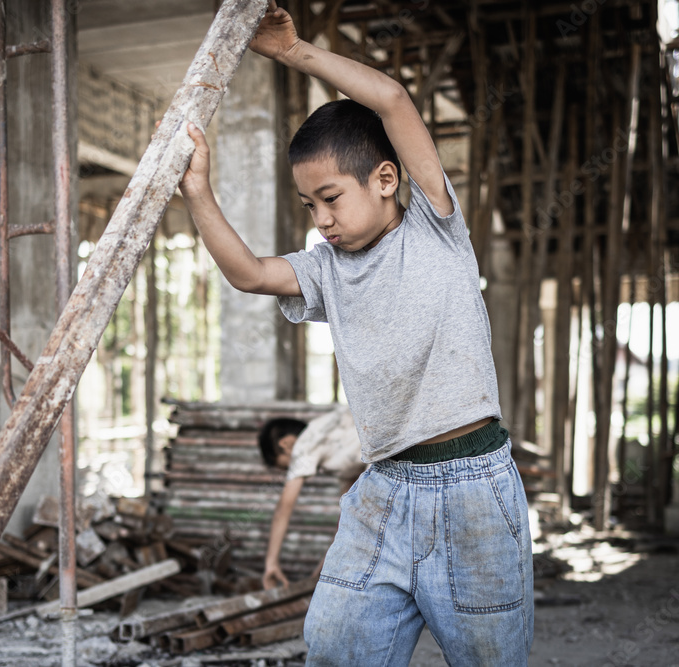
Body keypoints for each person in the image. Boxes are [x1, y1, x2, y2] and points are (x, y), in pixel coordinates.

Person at [177, 3, 533, 664]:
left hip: (473, 491)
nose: (321, 220)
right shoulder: (326, 270)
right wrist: (198, 192)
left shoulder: (436, 226)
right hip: (383, 492)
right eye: (309, 205)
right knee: (337, 643)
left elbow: (394, 101)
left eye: (332, 198)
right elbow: (252, 274)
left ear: (387, 178)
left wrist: (294, 53)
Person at [257, 407, 366, 590]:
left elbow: (284, 507)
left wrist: (271, 563)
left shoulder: (305, 442)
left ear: (285, 444)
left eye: (286, 467)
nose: (290, 471)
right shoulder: (344, 450)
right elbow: (347, 520)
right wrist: (324, 567)